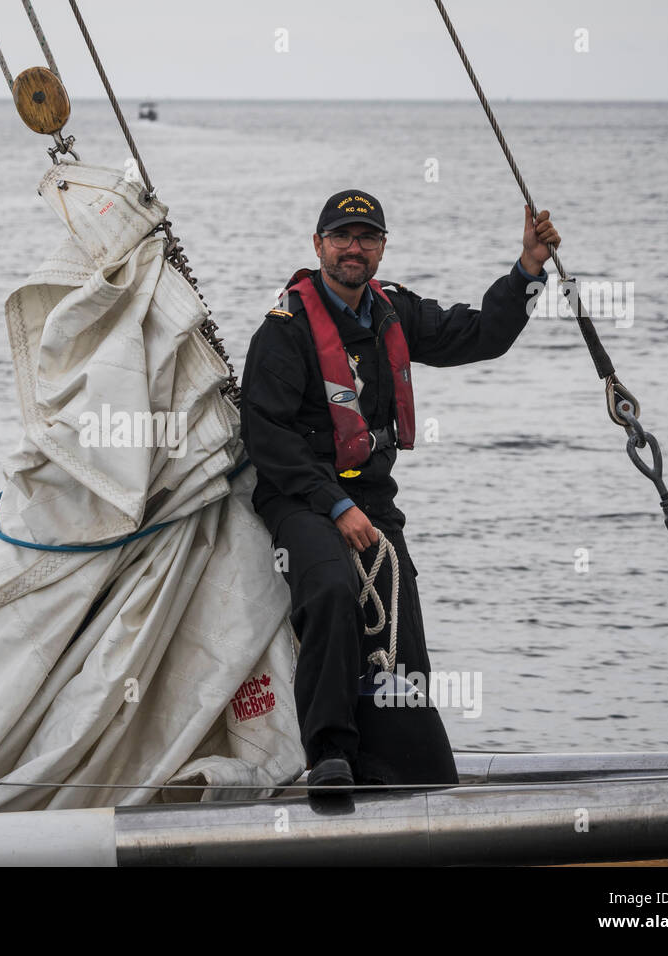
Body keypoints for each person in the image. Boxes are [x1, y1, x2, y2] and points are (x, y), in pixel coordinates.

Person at [239, 189, 560, 790]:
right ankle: (330, 755)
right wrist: (335, 507)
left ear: (382, 248)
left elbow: (482, 335)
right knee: (333, 585)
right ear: (318, 246)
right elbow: (266, 436)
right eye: (341, 236)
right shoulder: (284, 332)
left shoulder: (395, 312)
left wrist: (528, 269)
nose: (353, 248)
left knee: (399, 627)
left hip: (373, 499)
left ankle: (408, 771)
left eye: (366, 237)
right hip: (299, 495)